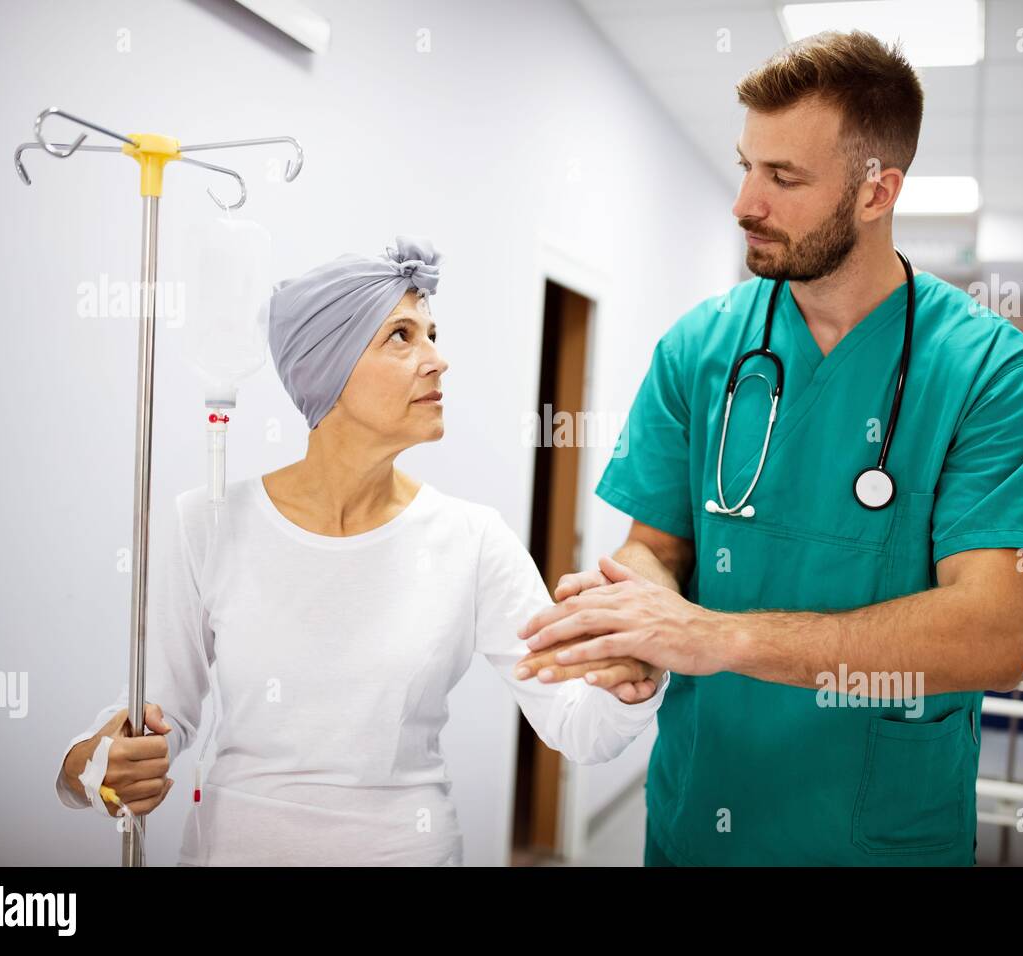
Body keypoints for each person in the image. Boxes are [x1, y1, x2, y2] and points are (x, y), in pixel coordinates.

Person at [514, 31, 1023, 866]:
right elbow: (654, 546)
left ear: (876, 191)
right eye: (746, 164)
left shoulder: (990, 372)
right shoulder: (701, 348)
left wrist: (720, 638)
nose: (746, 201)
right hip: (701, 811)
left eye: (783, 178)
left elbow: (994, 635)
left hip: (881, 833)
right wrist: (629, 617)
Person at [54, 236, 668, 865]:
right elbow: (157, 718)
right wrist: (94, 763)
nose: (438, 360)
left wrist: (629, 679)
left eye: (432, 333)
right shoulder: (205, 524)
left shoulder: (471, 540)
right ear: (328, 368)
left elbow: (577, 725)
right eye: (401, 336)